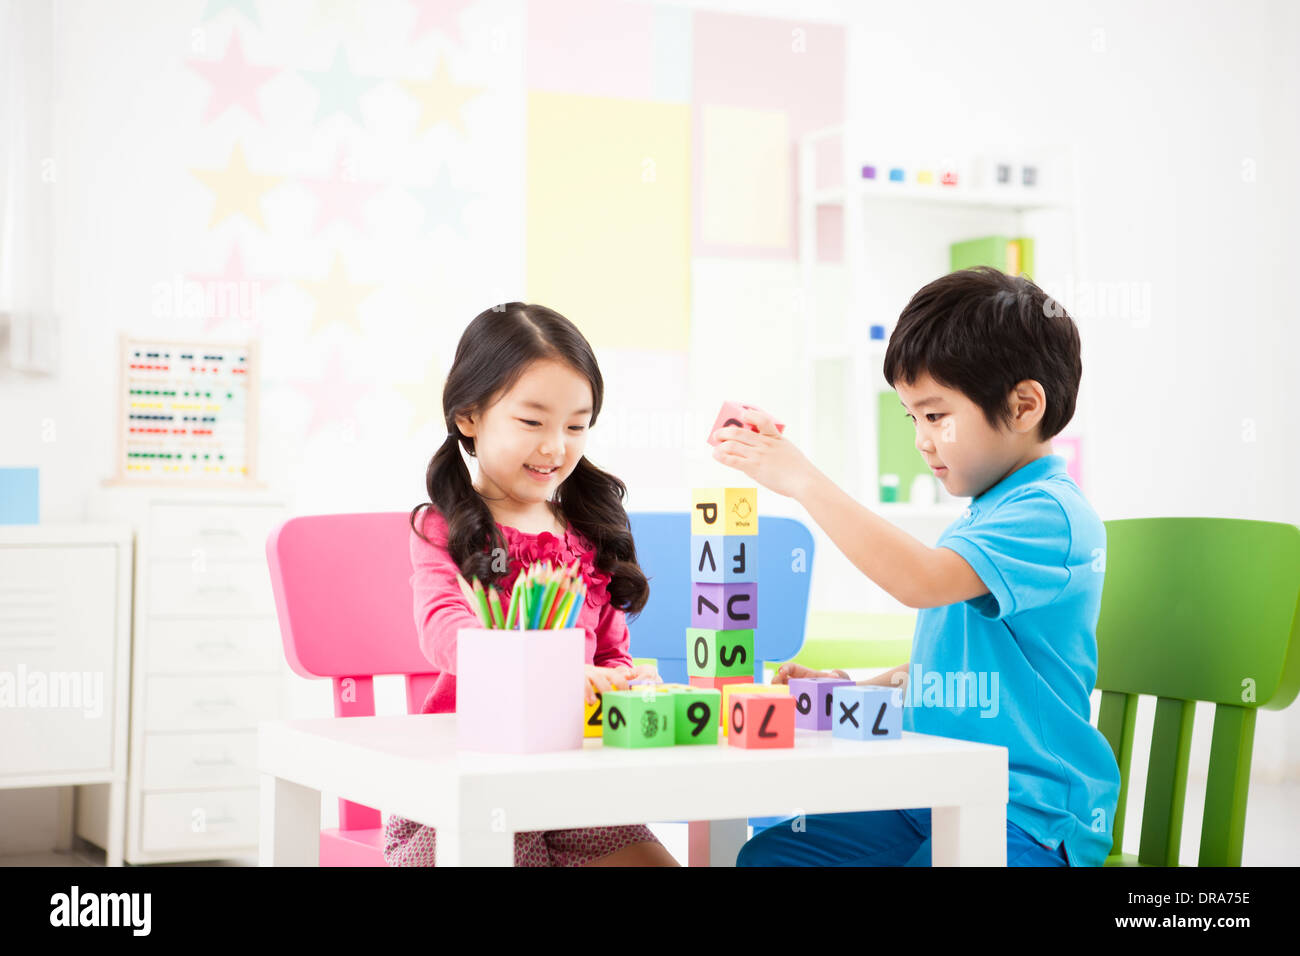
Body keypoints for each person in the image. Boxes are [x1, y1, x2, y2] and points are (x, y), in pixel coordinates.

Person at [712, 267, 1121, 867]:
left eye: (935, 416)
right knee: (771, 858)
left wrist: (800, 478)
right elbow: (959, 663)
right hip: (931, 794)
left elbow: (919, 582)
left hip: (1024, 814)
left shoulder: (1050, 514)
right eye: (912, 419)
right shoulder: (988, 514)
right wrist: (851, 690)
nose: (922, 440)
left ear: (1023, 404)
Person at [383, 302, 678, 867]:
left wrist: (619, 682)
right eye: (532, 421)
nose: (555, 447)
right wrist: (554, 672)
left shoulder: (588, 535)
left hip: (574, 787)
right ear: (469, 416)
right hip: (465, 786)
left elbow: (612, 653)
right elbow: (447, 631)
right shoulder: (443, 528)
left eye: (575, 425)